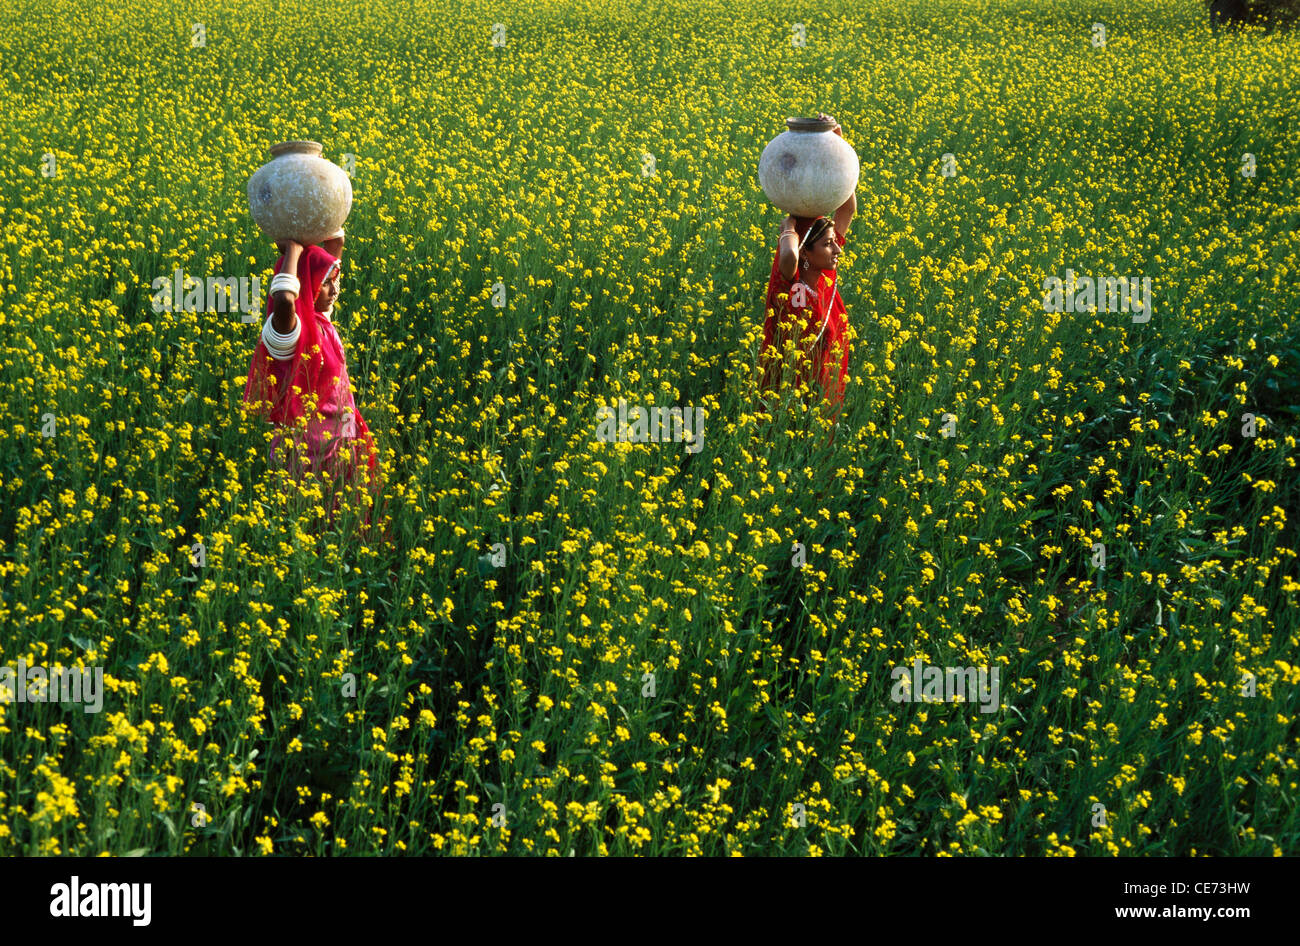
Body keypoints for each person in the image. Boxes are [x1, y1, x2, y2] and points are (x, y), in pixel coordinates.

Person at [242, 228, 388, 538]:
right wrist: (292, 251)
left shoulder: (320, 318)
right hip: (306, 449)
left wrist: (325, 224)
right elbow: (283, 299)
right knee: (307, 521)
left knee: (344, 517)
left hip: (341, 440)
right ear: (308, 288)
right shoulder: (288, 331)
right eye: (326, 284)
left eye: (335, 280)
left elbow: (334, 251)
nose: (335, 288)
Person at [759, 113, 857, 421]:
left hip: (824, 365)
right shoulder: (791, 274)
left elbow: (847, 206)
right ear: (807, 254)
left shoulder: (824, 262)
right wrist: (788, 227)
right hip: (792, 371)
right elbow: (789, 256)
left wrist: (836, 144)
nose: (837, 248)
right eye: (829, 244)